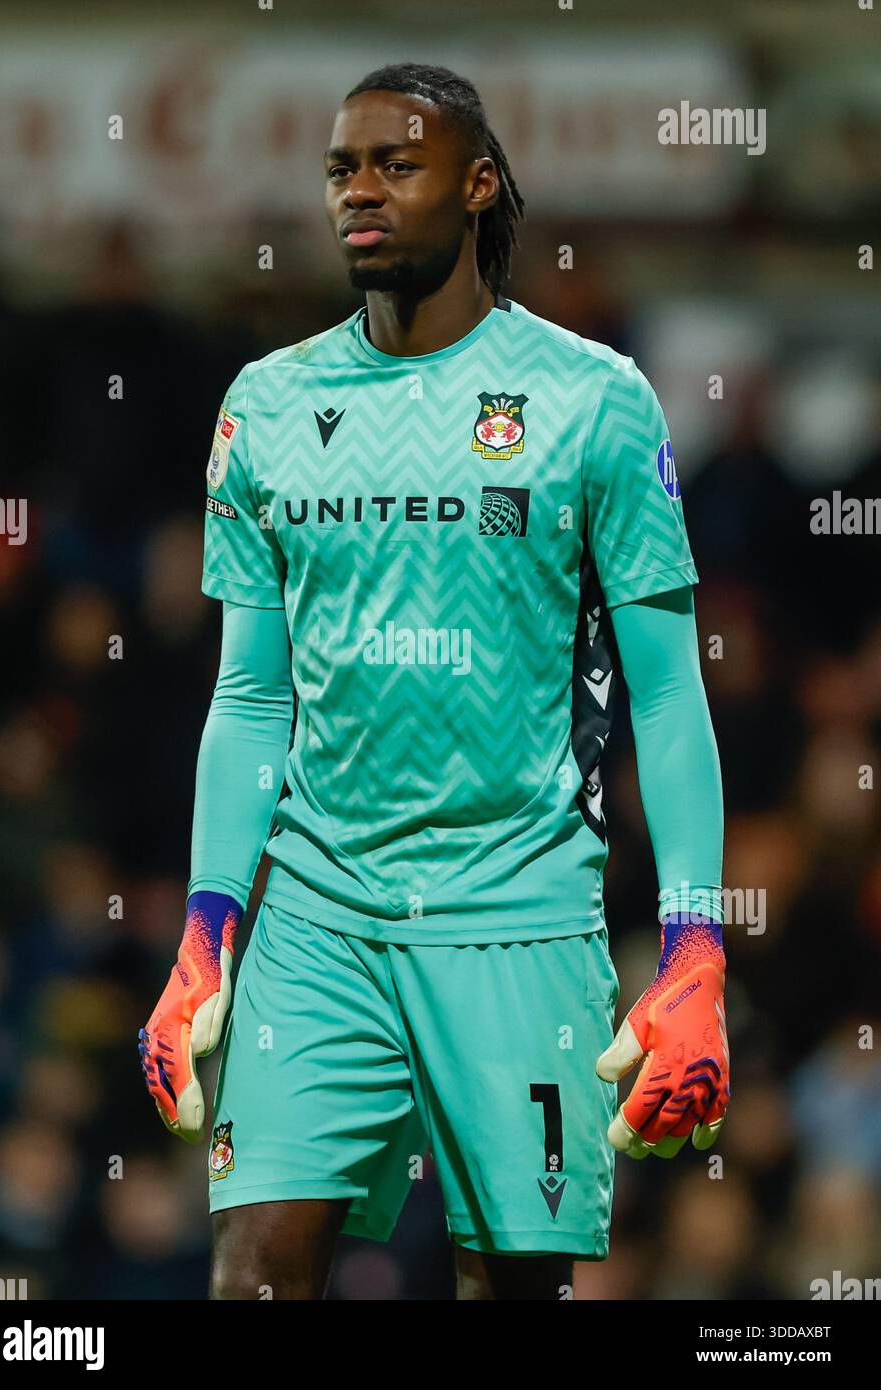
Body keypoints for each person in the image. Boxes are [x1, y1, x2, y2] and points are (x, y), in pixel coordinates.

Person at [139, 62, 728, 1301]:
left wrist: (694, 946)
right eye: (340, 169)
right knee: (251, 1269)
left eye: (393, 164)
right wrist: (206, 929)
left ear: (475, 185)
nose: (358, 189)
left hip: (517, 910)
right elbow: (250, 697)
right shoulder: (268, 404)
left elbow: (670, 695)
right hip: (317, 913)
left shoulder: (593, 401)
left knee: (513, 1286)